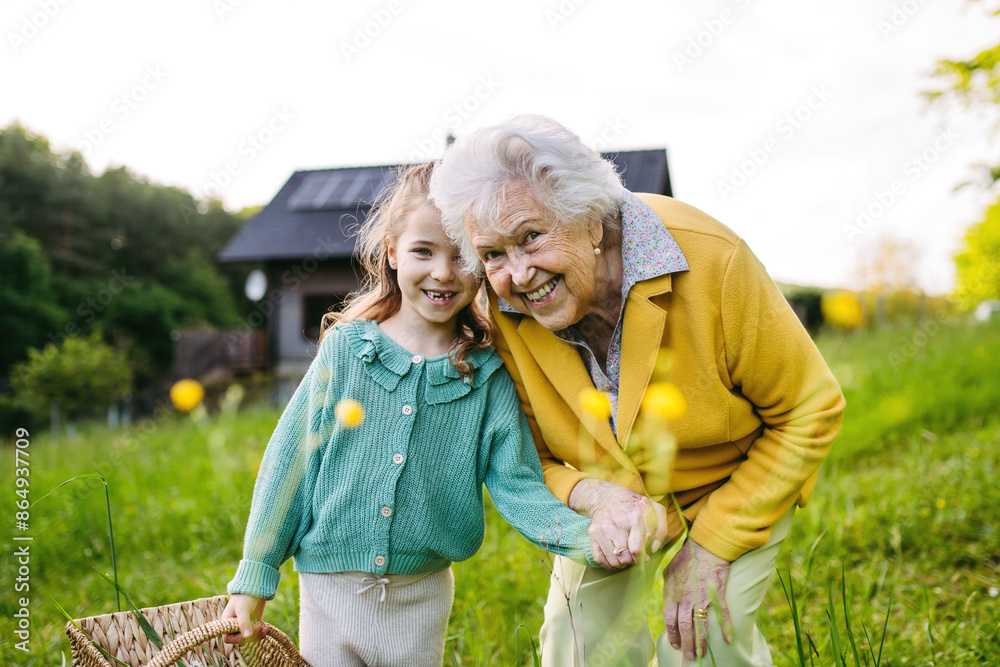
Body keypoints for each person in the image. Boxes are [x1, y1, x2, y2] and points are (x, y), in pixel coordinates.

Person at [429, 115, 846, 666]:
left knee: (702, 645)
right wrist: (599, 499)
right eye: (493, 254)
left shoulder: (712, 259)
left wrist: (712, 543)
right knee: (575, 647)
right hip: (612, 501)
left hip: (735, 477)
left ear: (593, 221)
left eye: (531, 237)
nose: (520, 274)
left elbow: (808, 409)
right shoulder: (499, 307)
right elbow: (536, 456)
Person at [221, 162, 612, 667]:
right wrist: (255, 573)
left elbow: (518, 484)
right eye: (423, 251)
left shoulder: (486, 374)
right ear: (391, 252)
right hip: (328, 587)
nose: (444, 273)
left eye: (463, 257)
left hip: (422, 595)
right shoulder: (346, 351)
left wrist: (584, 538)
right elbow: (290, 462)